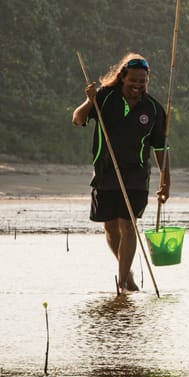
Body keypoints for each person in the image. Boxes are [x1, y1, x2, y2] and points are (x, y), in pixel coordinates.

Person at [72, 53, 170, 293]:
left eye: (142, 81)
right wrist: (89, 101)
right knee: (110, 227)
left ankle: (122, 282)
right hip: (105, 171)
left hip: (136, 175)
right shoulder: (105, 98)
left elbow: (160, 148)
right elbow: (77, 119)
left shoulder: (154, 109)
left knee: (129, 225)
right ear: (122, 77)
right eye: (133, 80)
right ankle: (126, 272)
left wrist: (166, 180)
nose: (138, 85)